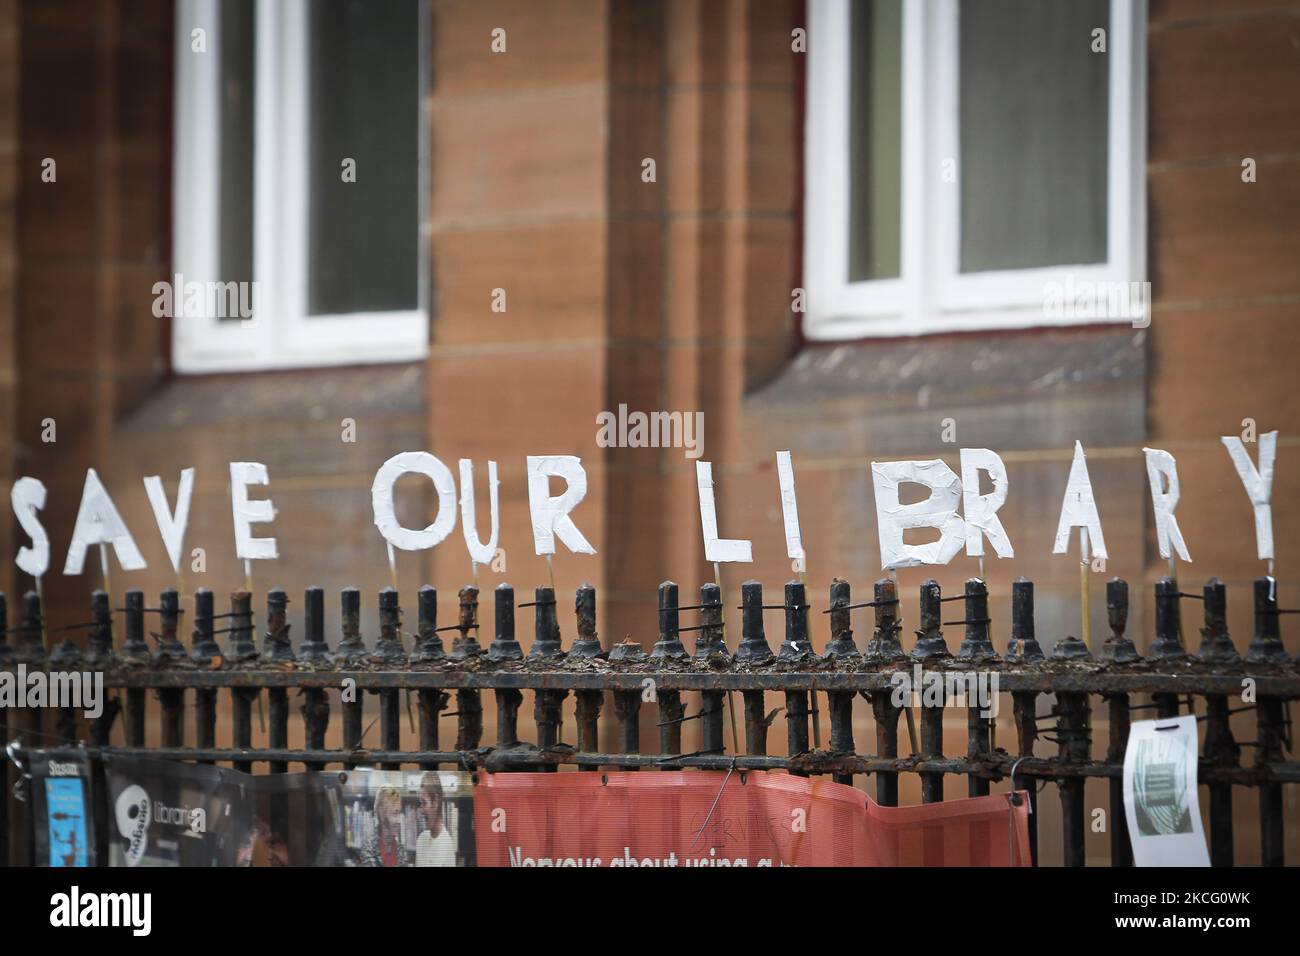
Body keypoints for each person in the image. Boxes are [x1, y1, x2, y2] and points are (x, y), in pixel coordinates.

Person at [415, 772, 456, 867]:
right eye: (420, 803)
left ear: (435, 802)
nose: (421, 811)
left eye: (424, 803)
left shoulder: (447, 845)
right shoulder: (421, 839)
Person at [357, 786, 405, 867]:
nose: (399, 821)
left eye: (399, 813)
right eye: (395, 813)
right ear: (382, 814)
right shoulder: (368, 850)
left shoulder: (401, 851)